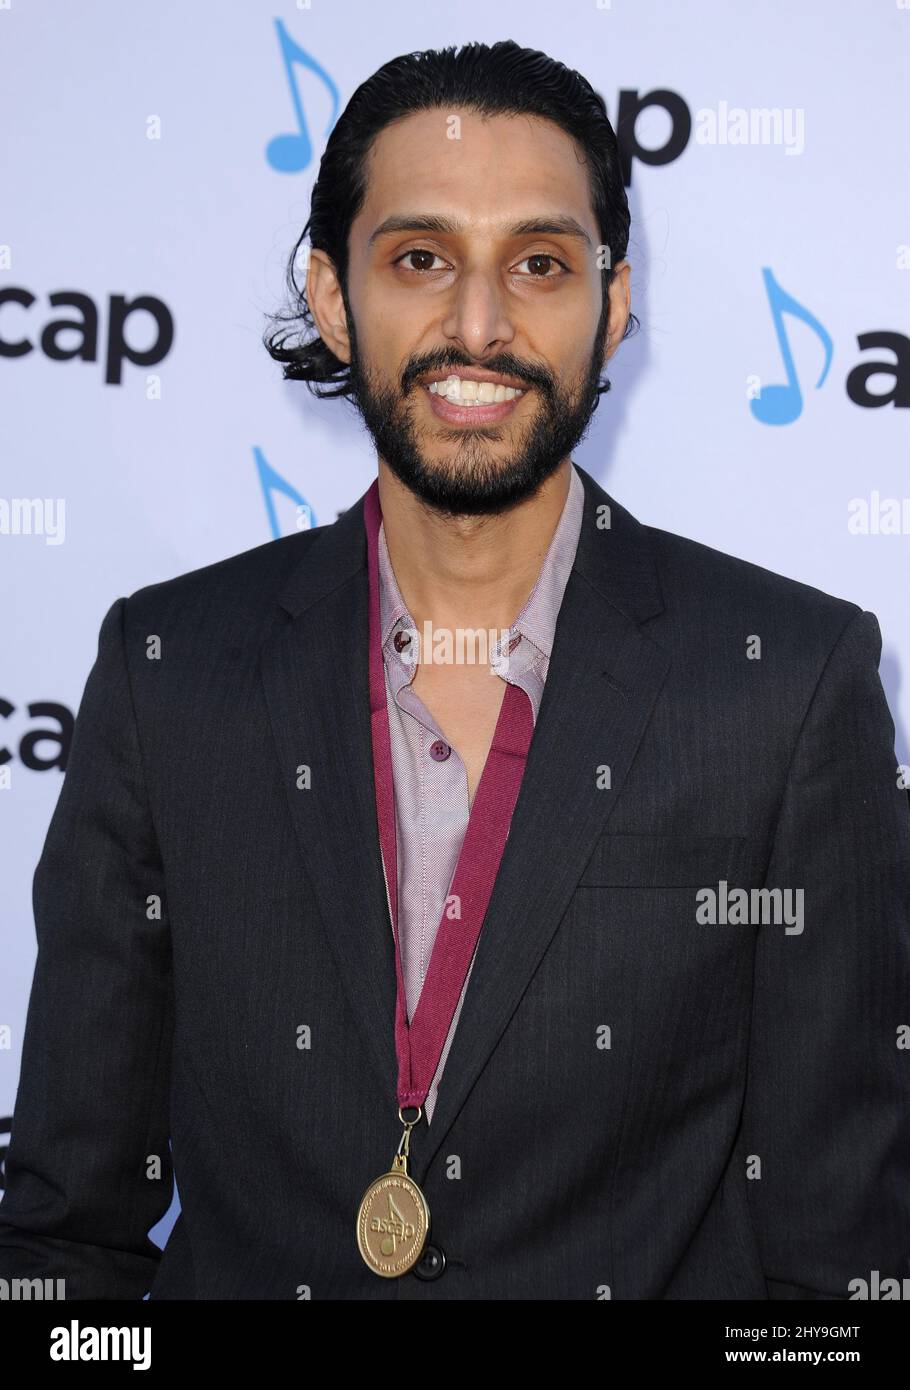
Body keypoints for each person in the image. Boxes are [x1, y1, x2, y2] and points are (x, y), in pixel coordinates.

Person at [1, 40, 908, 1300]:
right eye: (419, 259)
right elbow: (64, 1245)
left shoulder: (785, 684)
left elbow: (839, 1276)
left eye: (538, 264)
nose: (478, 325)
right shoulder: (170, 674)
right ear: (330, 295)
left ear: (615, 302)